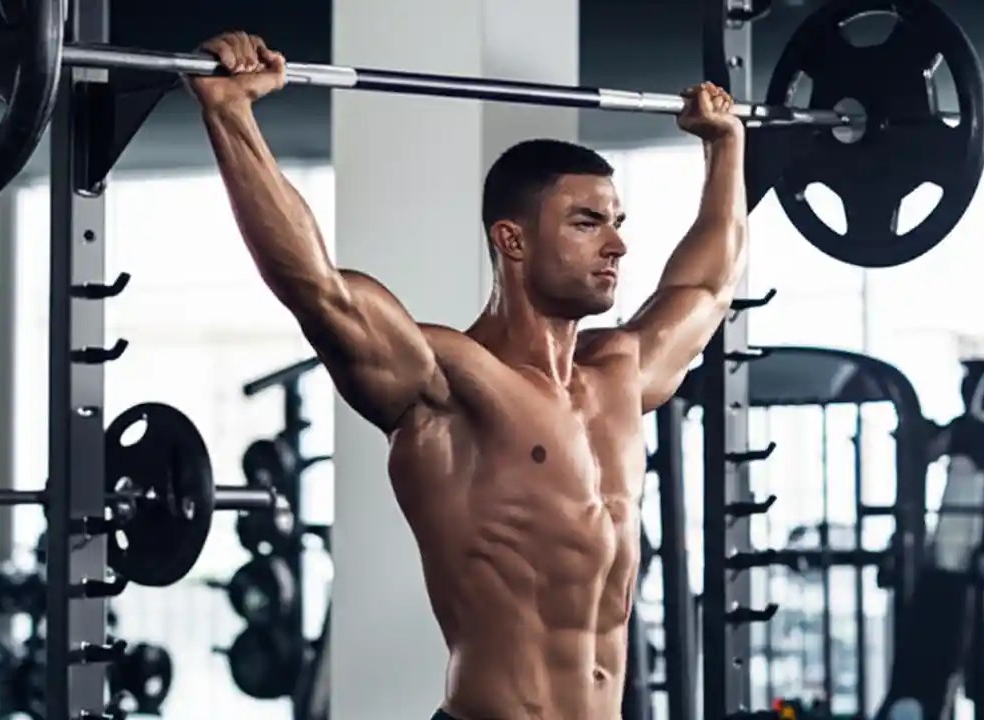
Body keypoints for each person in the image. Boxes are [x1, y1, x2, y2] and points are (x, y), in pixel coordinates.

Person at [186, 31, 748, 720]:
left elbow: (709, 287)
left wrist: (726, 145)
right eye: (587, 222)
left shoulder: (620, 377)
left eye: (617, 222)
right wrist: (229, 112)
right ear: (512, 239)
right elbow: (317, 289)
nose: (617, 244)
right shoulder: (448, 388)